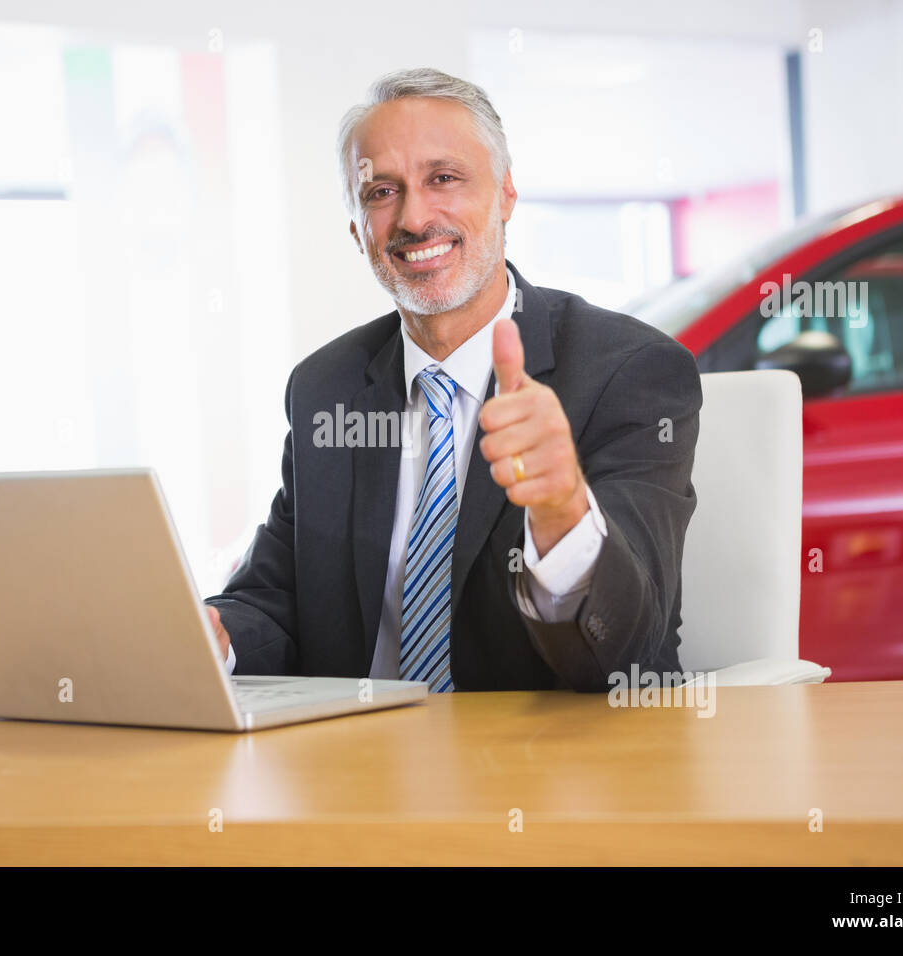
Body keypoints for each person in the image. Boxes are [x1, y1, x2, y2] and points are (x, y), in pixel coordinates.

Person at [203, 67, 701, 692]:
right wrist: (210, 635)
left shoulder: (629, 371)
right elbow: (277, 599)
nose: (414, 217)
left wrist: (562, 510)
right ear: (358, 231)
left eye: (444, 178)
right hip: (358, 767)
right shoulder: (324, 388)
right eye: (382, 191)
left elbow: (629, 645)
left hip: (549, 771)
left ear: (506, 193)